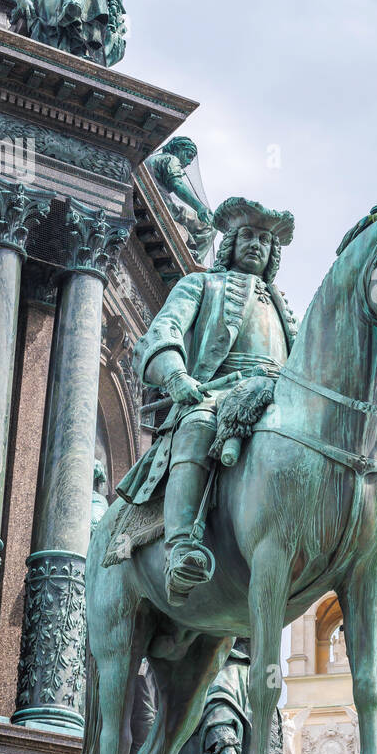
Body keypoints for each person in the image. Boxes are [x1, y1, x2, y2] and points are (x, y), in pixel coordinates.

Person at [116, 195, 296, 604]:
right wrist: (176, 377)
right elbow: (160, 335)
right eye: (248, 235)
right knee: (198, 424)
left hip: (279, 397)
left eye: (266, 241)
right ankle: (181, 547)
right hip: (216, 393)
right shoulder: (200, 284)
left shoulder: (285, 307)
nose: (256, 245)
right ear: (230, 242)